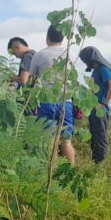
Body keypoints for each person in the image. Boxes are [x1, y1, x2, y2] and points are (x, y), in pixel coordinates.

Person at [29, 25, 75, 166]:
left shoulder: (40, 55)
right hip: (65, 102)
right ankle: (71, 172)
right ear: (63, 37)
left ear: (47, 38)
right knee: (66, 141)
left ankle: (50, 172)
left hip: (45, 102)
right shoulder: (70, 54)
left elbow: (32, 78)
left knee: (48, 141)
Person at [78, 46, 111, 164]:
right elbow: (92, 90)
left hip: (100, 111)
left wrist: (104, 102)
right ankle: (95, 164)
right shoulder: (95, 71)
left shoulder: (102, 69)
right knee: (95, 139)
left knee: (100, 139)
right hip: (93, 111)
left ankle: (101, 165)